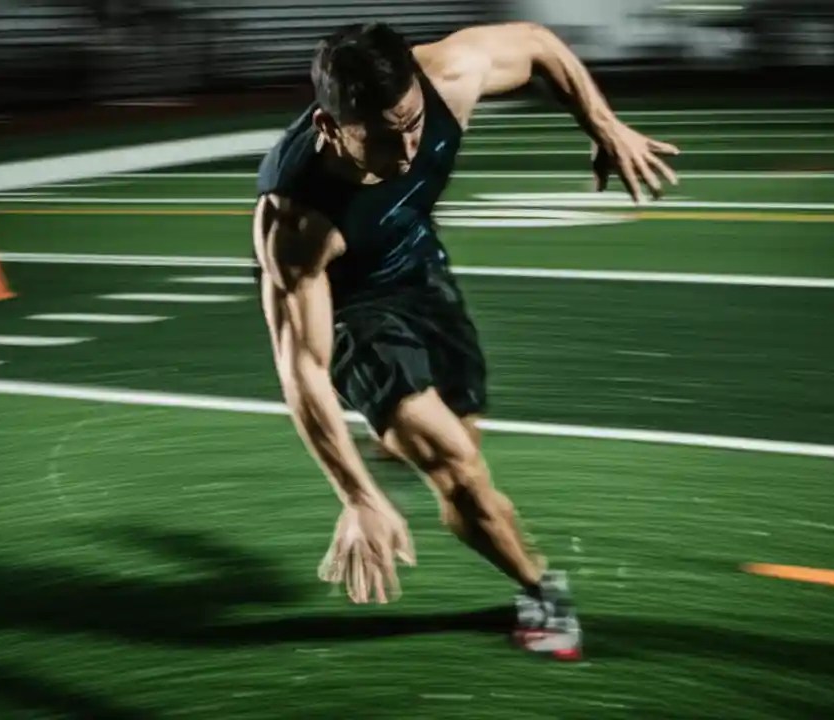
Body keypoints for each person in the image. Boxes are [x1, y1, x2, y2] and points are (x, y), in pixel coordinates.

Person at [251, 21, 679, 659]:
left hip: (422, 270)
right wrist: (356, 498)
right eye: (384, 138)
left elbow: (537, 45)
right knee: (460, 471)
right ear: (330, 130)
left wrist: (603, 125)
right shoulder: (297, 220)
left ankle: (399, 434)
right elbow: (303, 370)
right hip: (351, 309)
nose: (407, 149)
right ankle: (542, 593)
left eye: (414, 125)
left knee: (461, 434)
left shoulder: (448, 78)